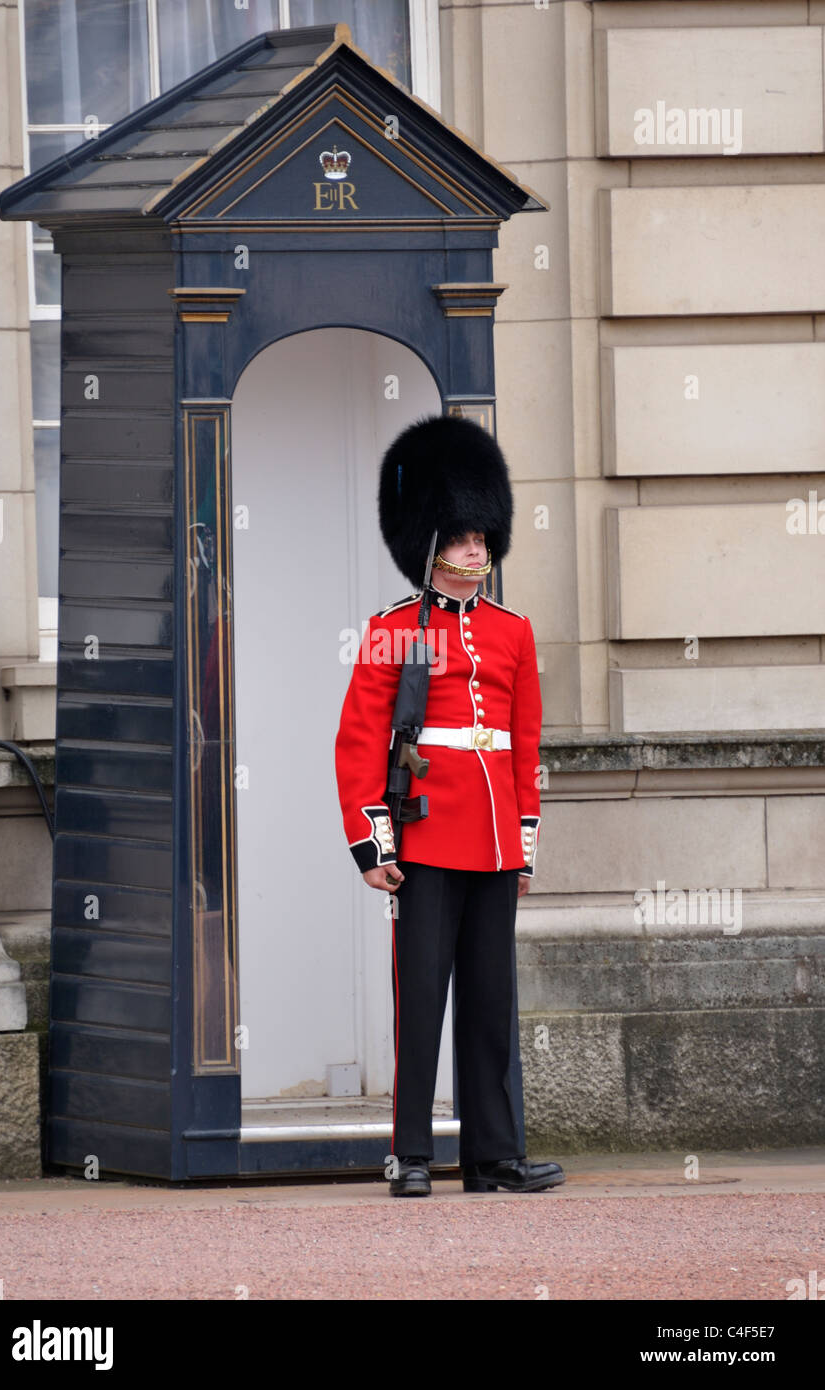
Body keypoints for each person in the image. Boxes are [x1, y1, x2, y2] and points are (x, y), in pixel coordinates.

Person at [334, 414, 564, 1198]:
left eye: (481, 536)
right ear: (430, 540)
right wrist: (375, 845)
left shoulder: (513, 633)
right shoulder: (393, 632)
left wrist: (525, 844)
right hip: (427, 836)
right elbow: (358, 743)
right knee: (421, 1000)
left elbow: (524, 746)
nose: (476, 549)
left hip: (496, 838)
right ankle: (411, 1155)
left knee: (491, 1003)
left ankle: (493, 1156)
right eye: (462, 537)